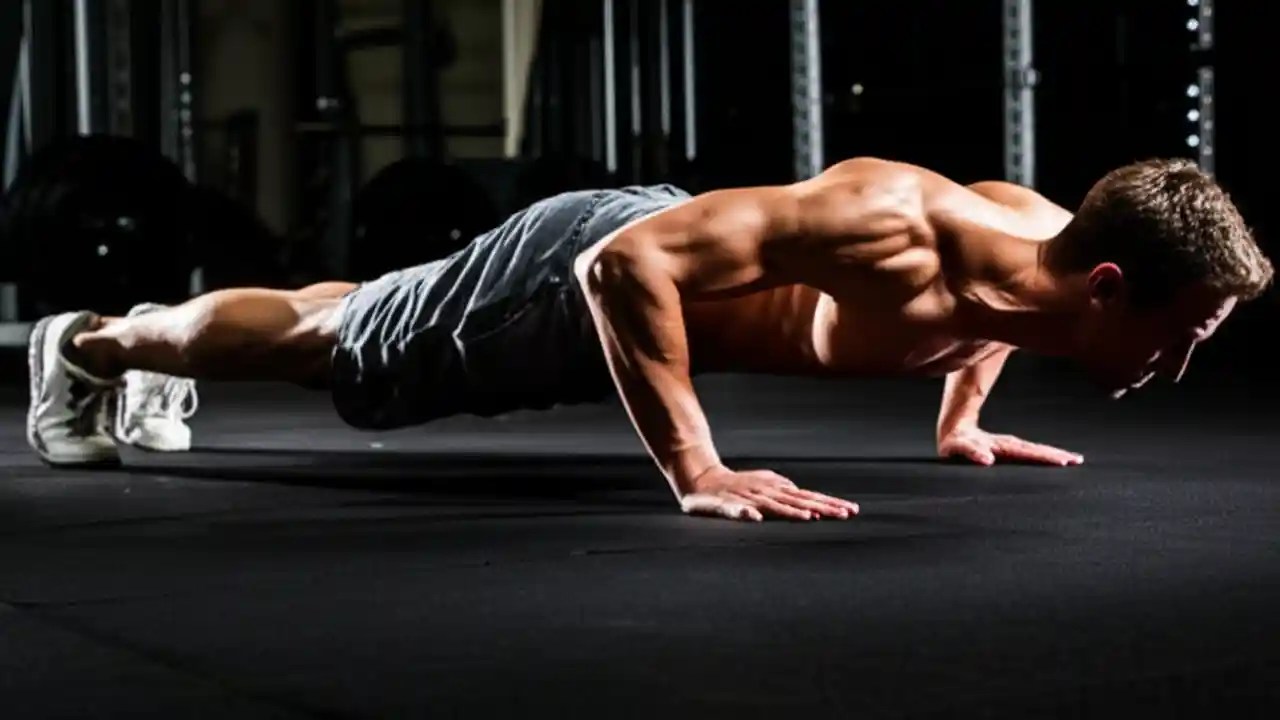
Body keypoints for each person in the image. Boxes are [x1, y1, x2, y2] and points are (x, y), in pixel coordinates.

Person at [26, 156, 1272, 522]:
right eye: (1182, 334)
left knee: (359, 313)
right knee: (343, 355)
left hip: (637, 288)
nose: (1178, 364)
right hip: (598, 273)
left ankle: (134, 347)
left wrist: (959, 420)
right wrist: (698, 470)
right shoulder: (898, 222)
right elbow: (623, 266)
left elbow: (996, 321)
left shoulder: (1043, 259)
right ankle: (93, 347)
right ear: (1109, 286)